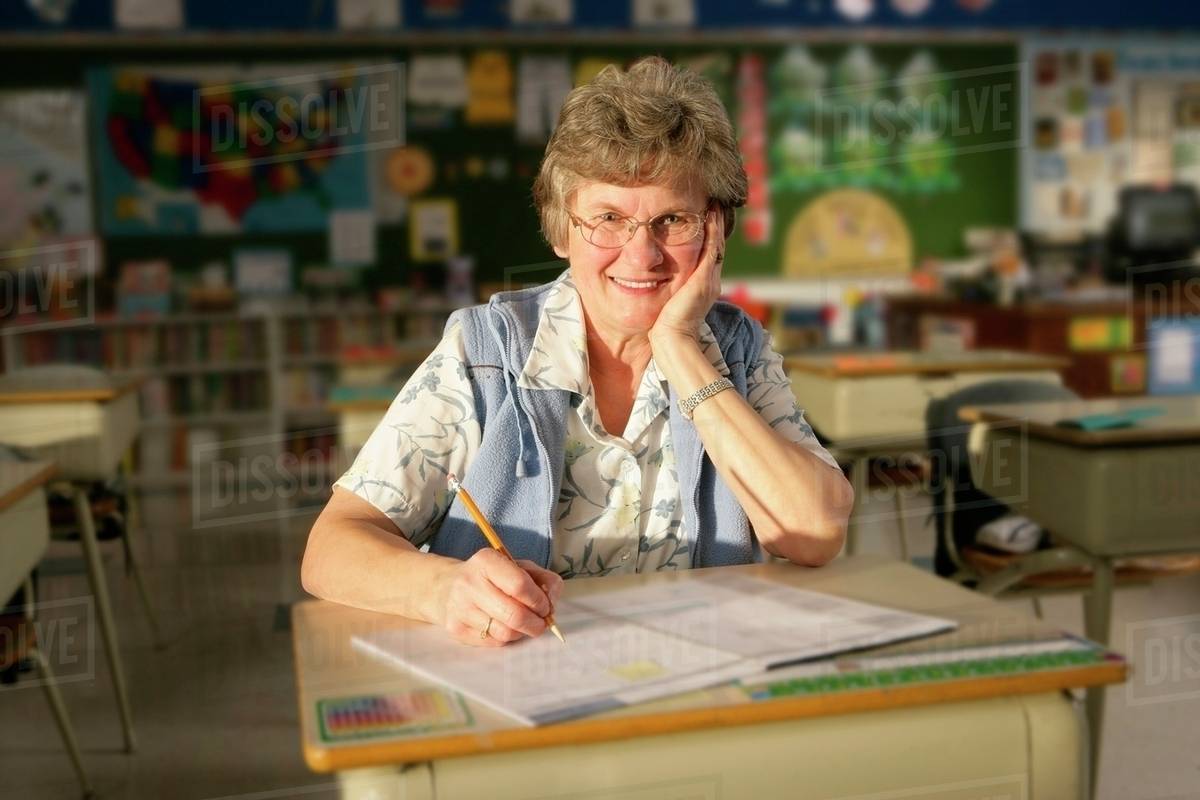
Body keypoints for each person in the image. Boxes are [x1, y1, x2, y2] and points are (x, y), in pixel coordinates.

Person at [301, 56, 854, 647]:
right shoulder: (486, 350)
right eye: (608, 218)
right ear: (562, 231)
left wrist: (679, 348)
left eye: (673, 219)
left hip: (700, 687)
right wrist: (443, 590)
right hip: (520, 691)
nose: (642, 256)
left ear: (715, 234)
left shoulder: (737, 347)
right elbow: (331, 548)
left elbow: (815, 532)